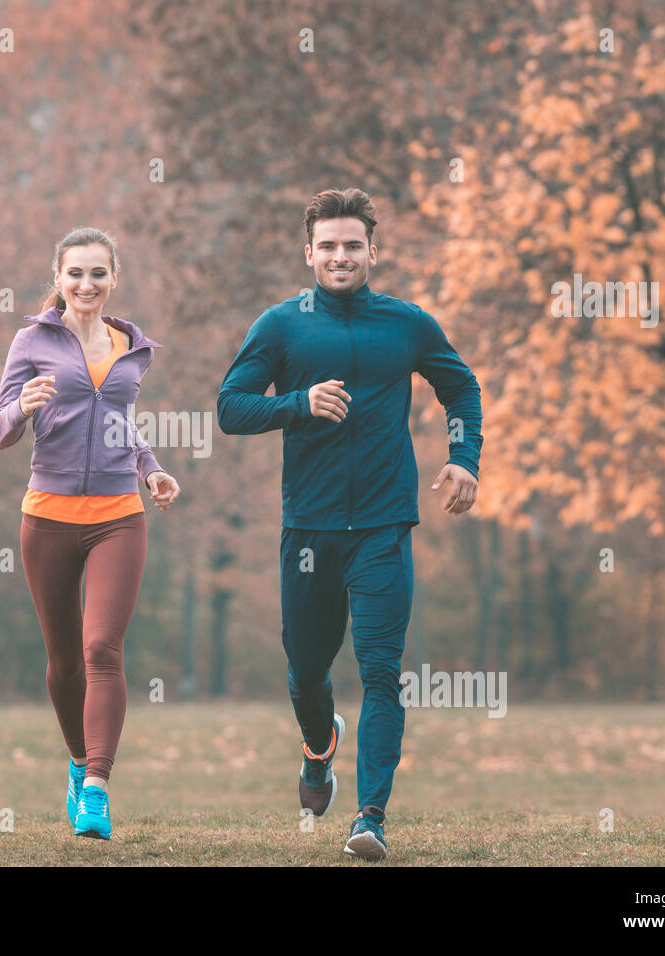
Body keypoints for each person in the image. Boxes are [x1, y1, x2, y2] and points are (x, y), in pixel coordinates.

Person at [217, 188, 482, 860]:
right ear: (309, 253)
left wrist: (462, 457)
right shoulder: (280, 326)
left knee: (383, 671)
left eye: (352, 246)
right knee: (306, 671)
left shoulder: (408, 324)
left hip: (384, 526)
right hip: (308, 530)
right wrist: (299, 403)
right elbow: (230, 408)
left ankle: (370, 817)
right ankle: (318, 747)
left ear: (372, 252)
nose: (341, 256)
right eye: (328, 246)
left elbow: (462, 388)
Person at [0, 227, 180, 840]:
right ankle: (76, 761)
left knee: (103, 650)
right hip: (46, 516)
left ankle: (96, 785)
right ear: (59, 278)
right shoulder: (31, 341)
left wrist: (152, 470)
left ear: (114, 278)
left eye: (98, 273)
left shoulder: (132, 347)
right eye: (75, 273)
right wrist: (24, 405)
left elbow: (121, 425)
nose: (86, 284)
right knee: (64, 661)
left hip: (118, 515)